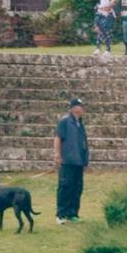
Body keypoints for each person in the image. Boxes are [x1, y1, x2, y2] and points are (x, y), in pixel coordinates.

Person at [54, 96, 89, 224]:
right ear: (73, 108)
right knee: (65, 187)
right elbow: (58, 138)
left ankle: (72, 213)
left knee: (77, 188)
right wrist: (57, 154)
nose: (81, 109)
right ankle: (61, 214)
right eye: (79, 106)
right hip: (67, 161)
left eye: (82, 107)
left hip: (78, 162)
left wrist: (85, 160)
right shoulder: (65, 121)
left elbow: (83, 143)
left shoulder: (80, 125)